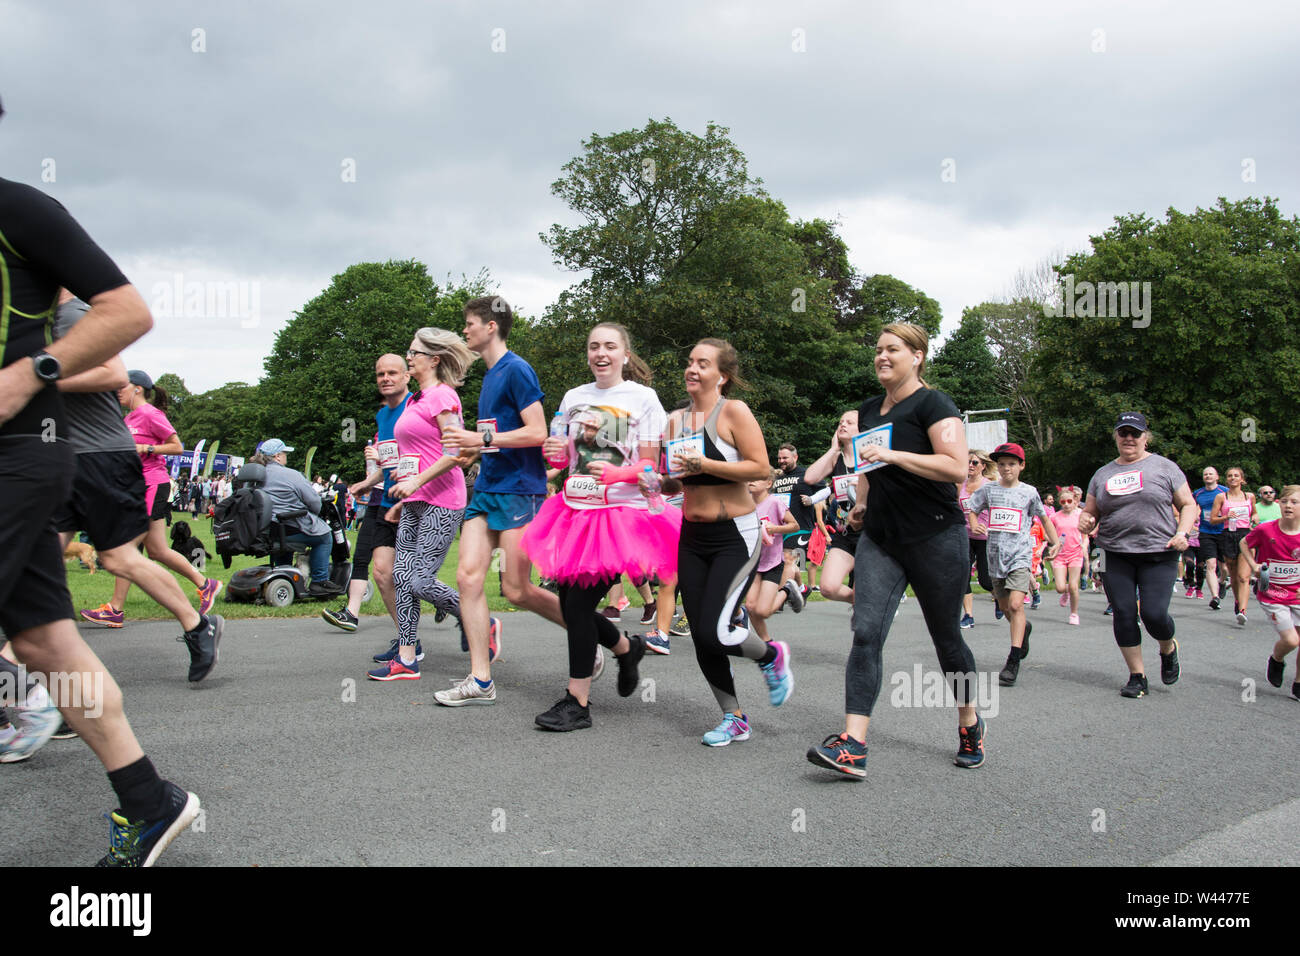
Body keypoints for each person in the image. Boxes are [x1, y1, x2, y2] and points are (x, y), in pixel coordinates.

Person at [0, 114, 199, 864]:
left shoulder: (20, 211)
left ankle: (195, 613)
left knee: (118, 562)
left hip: (22, 451)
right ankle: (150, 801)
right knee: (44, 641)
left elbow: (129, 314)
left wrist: (30, 374)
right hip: (46, 459)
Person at [806, 322, 981, 778]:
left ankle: (968, 721)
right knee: (865, 632)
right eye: (878, 349)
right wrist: (862, 503)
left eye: (893, 350)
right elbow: (865, 464)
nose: (882, 357)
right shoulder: (868, 409)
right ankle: (854, 746)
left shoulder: (934, 403)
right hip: (881, 538)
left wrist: (897, 456)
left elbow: (955, 467)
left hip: (936, 537)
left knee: (947, 638)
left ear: (917, 356)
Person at [45, 293, 222, 681]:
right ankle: (38, 674)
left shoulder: (71, 314)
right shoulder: (38, 320)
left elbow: (113, 375)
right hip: (69, 460)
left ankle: (198, 611)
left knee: (127, 556)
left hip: (107, 464)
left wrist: (42, 376)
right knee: (44, 559)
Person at [521, 322, 679, 730]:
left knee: (576, 606)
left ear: (626, 354)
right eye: (594, 347)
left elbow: (651, 468)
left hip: (620, 518)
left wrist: (619, 476)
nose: (601, 354)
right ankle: (626, 648)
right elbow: (561, 459)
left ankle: (577, 702)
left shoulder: (643, 399)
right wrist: (552, 452)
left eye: (610, 346)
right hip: (573, 511)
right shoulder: (574, 398)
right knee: (573, 606)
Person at [435, 296, 570, 706]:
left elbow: (537, 431)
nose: (465, 331)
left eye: (470, 324)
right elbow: (494, 438)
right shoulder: (490, 375)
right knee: (468, 578)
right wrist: (470, 450)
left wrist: (482, 439)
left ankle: (592, 633)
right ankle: (480, 679)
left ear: (491, 326)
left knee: (517, 590)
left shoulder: (516, 370)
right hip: (488, 489)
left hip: (518, 490)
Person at [666, 339, 793, 747]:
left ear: (721, 376)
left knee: (716, 631)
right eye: (690, 362)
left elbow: (759, 467)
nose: (692, 369)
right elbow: (672, 480)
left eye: (702, 363)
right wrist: (656, 480)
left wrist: (707, 463)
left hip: (735, 534)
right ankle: (733, 717)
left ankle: (771, 656)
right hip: (692, 535)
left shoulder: (733, 412)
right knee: (703, 633)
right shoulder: (673, 422)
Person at [367, 329, 474, 681]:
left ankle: (478, 618)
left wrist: (416, 482)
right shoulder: (416, 400)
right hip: (415, 500)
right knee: (400, 576)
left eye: (414, 353)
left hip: (443, 500)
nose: (409, 357)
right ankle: (407, 657)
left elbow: (455, 453)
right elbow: (415, 454)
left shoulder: (443, 397)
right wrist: (406, 493)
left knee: (420, 580)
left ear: (434, 359)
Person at [80, 369, 223, 626]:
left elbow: (177, 446)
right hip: (137, 486)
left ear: (137, 388)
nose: (117, 391)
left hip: (151, 485)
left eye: (122, 386)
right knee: (157, 551)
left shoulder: (150, 414)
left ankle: (115, 608)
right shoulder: (130, 418)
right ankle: (206, 584)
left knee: (126, 546)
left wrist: (147, 448)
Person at [1077, 413, 1198, 698]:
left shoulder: (1165, 467)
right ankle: (1137, 675)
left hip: (1159, 551)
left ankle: (1168, 647)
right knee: (1123, 612)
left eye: (1135, 433)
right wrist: (1086, 520)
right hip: (1112, 552)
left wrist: (1182, 533)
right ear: (1116, 437)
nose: (1129, 438)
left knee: (1154, 614)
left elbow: (1188, 504)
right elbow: (1090, 512)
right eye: (1123, 433)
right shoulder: (1102, 474)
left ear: (1146, 437)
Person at [322, 354, 411, 635]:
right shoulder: (381, 422)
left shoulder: (414, 414)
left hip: (410, 501)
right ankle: (355, 613)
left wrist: (380, 462)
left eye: (391, 374)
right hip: (380, 501)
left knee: (412, 574)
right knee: (370, 564)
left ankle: (448, 603)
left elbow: (412, 459)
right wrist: (366, 482)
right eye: (380, 375)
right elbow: (386, 468)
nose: (385, 380)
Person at [965, 442, 1059, 687]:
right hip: (995, 556)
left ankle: (1013, 659)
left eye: (1012, 464)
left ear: (1021, 466)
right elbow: (973, 510)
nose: (1006, 468)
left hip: (1020, 556)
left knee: (1017, 604)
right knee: (1007, 608)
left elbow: (1044, 518)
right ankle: (1023, 629)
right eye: (1003, 464)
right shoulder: (989, 491)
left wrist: (1055, 541)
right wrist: (974, 524)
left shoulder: (1029, 492)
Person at [254, 438, 342, 597]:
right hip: (289, 525)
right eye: (285, 453)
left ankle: (285, 573)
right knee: (324, 536)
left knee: (282, 538)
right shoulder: (291, 475)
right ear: (278, 456)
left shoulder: (256, 476)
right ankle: (319, 581)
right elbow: (314, 503)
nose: (287, 457)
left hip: (265, 528)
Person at [1244, 485, 1300, 699]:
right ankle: (1277, 659)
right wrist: (1254, 564)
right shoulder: (1266, 529)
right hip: (1274, 595)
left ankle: (1298, 683)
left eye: (1294, 502)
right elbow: (1244, 543)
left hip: (1297, 594)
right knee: (1292, 640)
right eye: (1285, 501)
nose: (1288, 506)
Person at [800, 410, 860, 604]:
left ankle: (871, 604)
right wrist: (833, 448)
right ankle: (870, 603)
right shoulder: (836, 459)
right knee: (828, 587)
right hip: (844, 535)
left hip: (871, 535)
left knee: (864, 588)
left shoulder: (870, 457)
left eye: (849, 422)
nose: (843, 424)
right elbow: (809, 477)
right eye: (841, 422)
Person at [744, 468, 800, 639]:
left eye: (757, 478)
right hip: (753, 561)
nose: (751, 481)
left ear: (769, 484)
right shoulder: (744, 504)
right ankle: (767, 641)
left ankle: (788, 590)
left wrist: (775, 528)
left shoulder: (774, 502)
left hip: (772, 562)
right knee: (751, 606)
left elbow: (794, 525)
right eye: (750, 477)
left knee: (763, 611)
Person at [772, 442, 821, 604]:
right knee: (787, 561)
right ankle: (802, 589)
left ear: (795, 457)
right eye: (779, 458)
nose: (782, 461)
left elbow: (826, 489)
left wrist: (811, 500)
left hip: (801, 526)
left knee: (787, 559)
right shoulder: (777, 476)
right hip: (781, 526)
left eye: (785, 457)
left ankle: (778, 598)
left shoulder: (806, 475)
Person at [1209, 466, 1256, 625]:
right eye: (1229, 476)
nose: (1233, 478)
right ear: (1226, 479)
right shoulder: (1221, 497)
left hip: (1246, 535)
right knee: (1234, 576)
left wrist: (1254, 519)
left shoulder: (1249, 496)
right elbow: (1212, 519)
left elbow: (1254, 513)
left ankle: (1242, 610)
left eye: (1236, 476)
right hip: (1228, 534)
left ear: (1242, 479)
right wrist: (1226, 517)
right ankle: (1237, 601)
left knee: (1244, 576)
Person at [957, 450, 996, 628]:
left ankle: (998, 597)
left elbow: (998, 511)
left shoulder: (989, 486)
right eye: (968, 462)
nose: (970, 466)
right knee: (963, 576)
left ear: (983, 466)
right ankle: (968, 615)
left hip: (985, 537)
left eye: (974, 462)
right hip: (965, 536)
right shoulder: (960, 484)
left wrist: (990, 527)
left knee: (985, 581)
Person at [1050, 485, 1086, 624]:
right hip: (1060, 555)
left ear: (1075, 501)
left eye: (1069, 501)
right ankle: (1066, 592)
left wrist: (1084, 545)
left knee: (1073, 586)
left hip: (1075, 554)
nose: (1066, 504)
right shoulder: (1054, 517)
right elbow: (1048, 533)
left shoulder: (1080, 515)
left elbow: (1085, 534)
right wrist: (1053, 543)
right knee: (1060, 587)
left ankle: (1074, 613)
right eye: (1063, 502)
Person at [1193, 466, 1226, 609]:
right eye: (1205, 474)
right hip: (1206, 532)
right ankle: (1215, 597)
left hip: (1224, 531)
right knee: (1211, 565)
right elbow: (1191, 507)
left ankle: (1223, 581)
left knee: (1224, 567)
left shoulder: (1225, 492)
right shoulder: (1198, 493)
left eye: (1211, 474)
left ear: (1217, 476)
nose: (1208, 476)